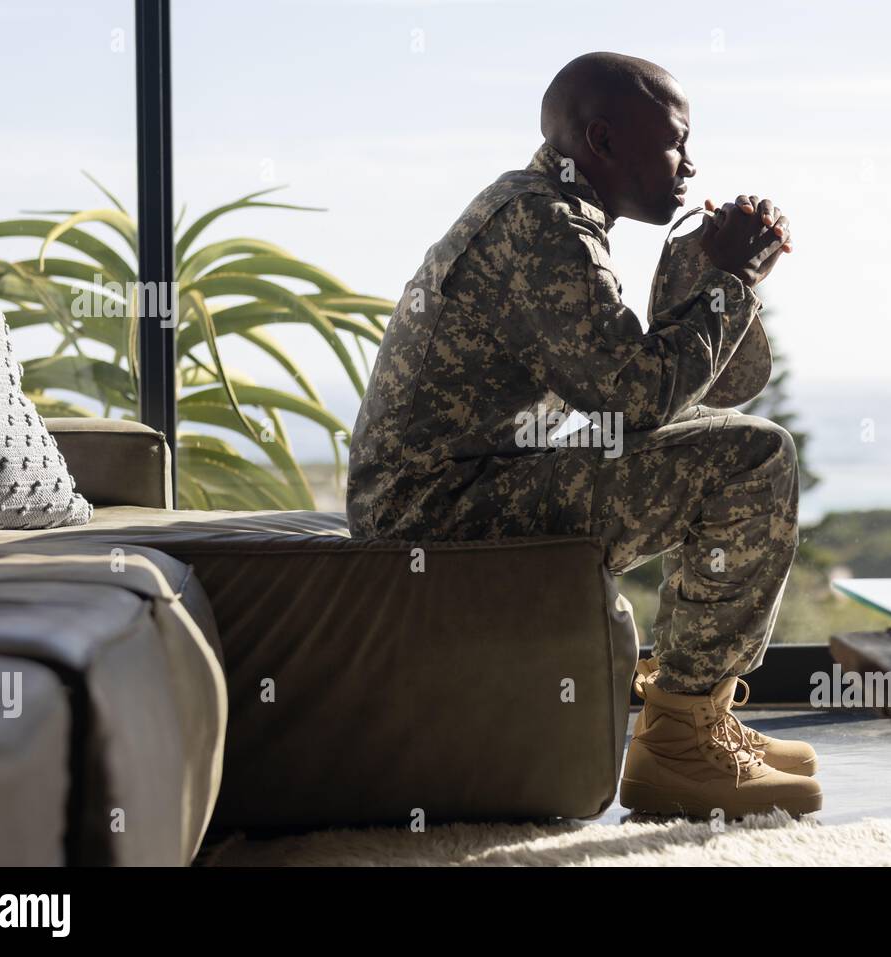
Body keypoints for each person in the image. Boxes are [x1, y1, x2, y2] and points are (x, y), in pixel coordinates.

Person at [346, 52, 821, 817]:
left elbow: (689, 392)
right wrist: (729, 283)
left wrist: (710, 272)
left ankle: (699, 711)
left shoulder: (550, 209)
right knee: (757, 458)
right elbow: (637, 395)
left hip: (475, 478)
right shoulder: (539, 225)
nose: (690, 163)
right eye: (675, 143)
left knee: (733, 435)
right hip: (432, 511)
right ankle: (679, 740)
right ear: (601, 140)